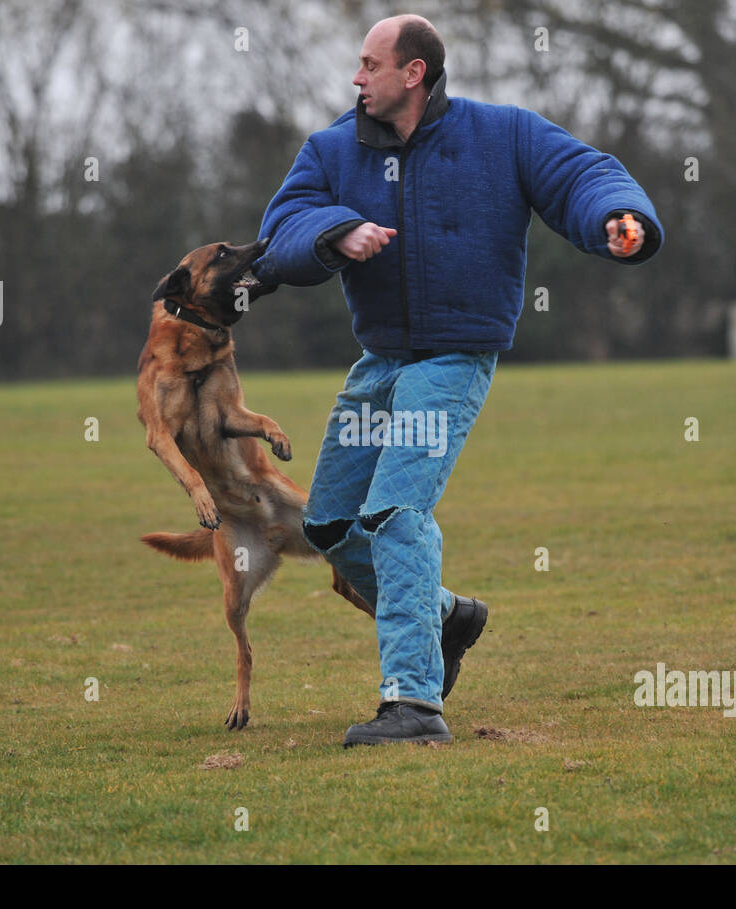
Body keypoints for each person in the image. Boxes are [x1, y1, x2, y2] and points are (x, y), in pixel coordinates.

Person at [250, 14, 662, 747]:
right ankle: (447, 616)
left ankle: (413, 704)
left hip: (453, 360)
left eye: (369, 64)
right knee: (331, 526)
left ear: (414, 73)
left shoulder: (502, 135)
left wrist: (618, 217)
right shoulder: (333, 151)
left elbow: (584, 176)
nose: (356, 78)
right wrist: (335, 230)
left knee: (396, 512)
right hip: (379, 363)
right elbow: (281, 231)